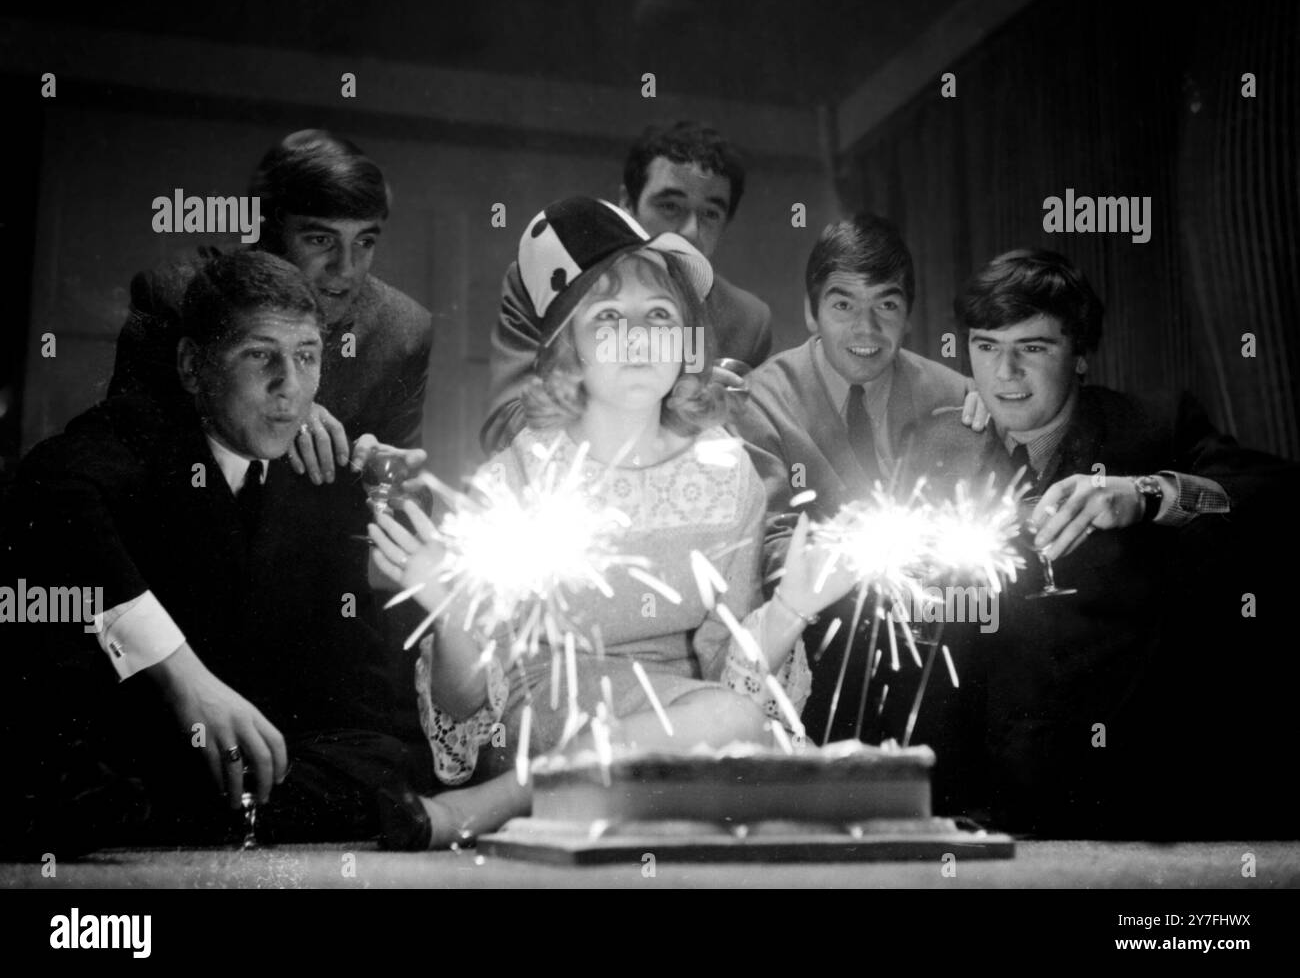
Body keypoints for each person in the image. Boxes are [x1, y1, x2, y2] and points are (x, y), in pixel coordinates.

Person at [368, 197, 850, 847]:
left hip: (684, 716)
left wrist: (791, 607)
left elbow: (724, 668)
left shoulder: (727, 470)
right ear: (568, 348)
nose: (638, 337)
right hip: (544, 710)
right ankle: (500, 799)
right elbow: (465, 713)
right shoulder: (520, 475)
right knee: (736, 748)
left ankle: (506, 807)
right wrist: (453, 613)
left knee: (739, 729)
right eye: (607, 317)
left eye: (658, 315)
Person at [3, 251, 432, 854]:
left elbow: (356, 708)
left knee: (381, 766)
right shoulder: (142, 432)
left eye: (306, 357)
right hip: (138, 735)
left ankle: (166, 811)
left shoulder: (321, 474)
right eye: (260, 355)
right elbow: (50, 488)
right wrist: (185, 678)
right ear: (190, 365)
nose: (290, 386)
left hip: (205, 770)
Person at [903, 248, 1298, 836]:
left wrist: (1148, 494)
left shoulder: (1153, 426)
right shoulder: (937, 443)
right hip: (978, 806)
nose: (1003, 373)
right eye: (986, 346)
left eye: (1032, 348)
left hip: (1133, 799)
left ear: (1080, 354)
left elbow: (1277, 495)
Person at [729, 213, 971, 749]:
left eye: (886, 305)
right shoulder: (758, 400)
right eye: (843, 305)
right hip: (817, 641)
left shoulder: (956, 395)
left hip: (935, 635)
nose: (867, 329)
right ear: (810, 313)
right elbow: (767, 550)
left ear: (908, 315)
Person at [109, 129, 433, 483]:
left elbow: (399, 498)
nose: (346, 268)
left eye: (364, 241)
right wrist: (286, 410)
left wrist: (382, 473)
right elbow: (121, 451)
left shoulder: (403, 330)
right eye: (321, 240)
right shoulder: (173, 298)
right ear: (267, 234)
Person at [479, 120, 772, 455]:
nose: (690, 230)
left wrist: (724, 415)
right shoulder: (542, 276)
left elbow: (754, 457)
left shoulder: (748, 319)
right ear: (626, 203)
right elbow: (506, 427)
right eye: (670, 206)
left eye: (710, 213)